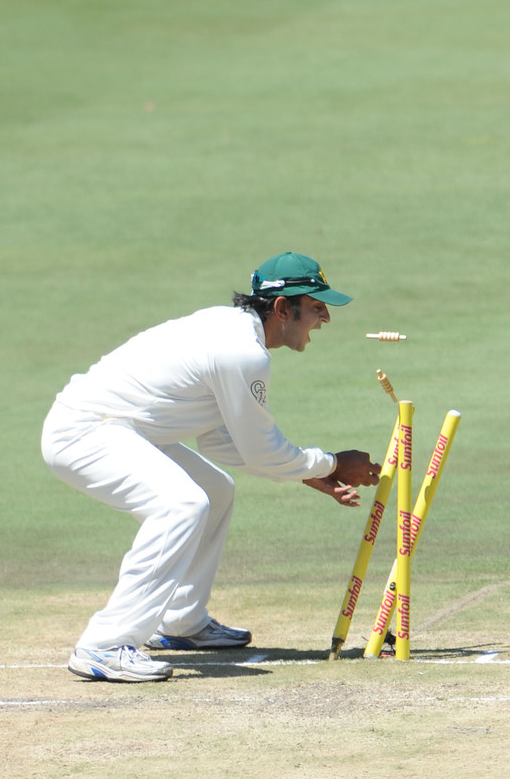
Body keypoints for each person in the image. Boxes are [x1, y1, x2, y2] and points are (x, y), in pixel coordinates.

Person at [41, 251, 381, 683]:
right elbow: (261, 451)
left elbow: (223, 442)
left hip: (119, 429)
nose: (325, 318)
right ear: (282, 308)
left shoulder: (233, 334)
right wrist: (332, 462)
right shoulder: (242, 352)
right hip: (85, 431)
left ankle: (181, 621)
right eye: (316, 307)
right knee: (181, 504)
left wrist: (312, 473)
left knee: (215, 490)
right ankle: (104, 645)